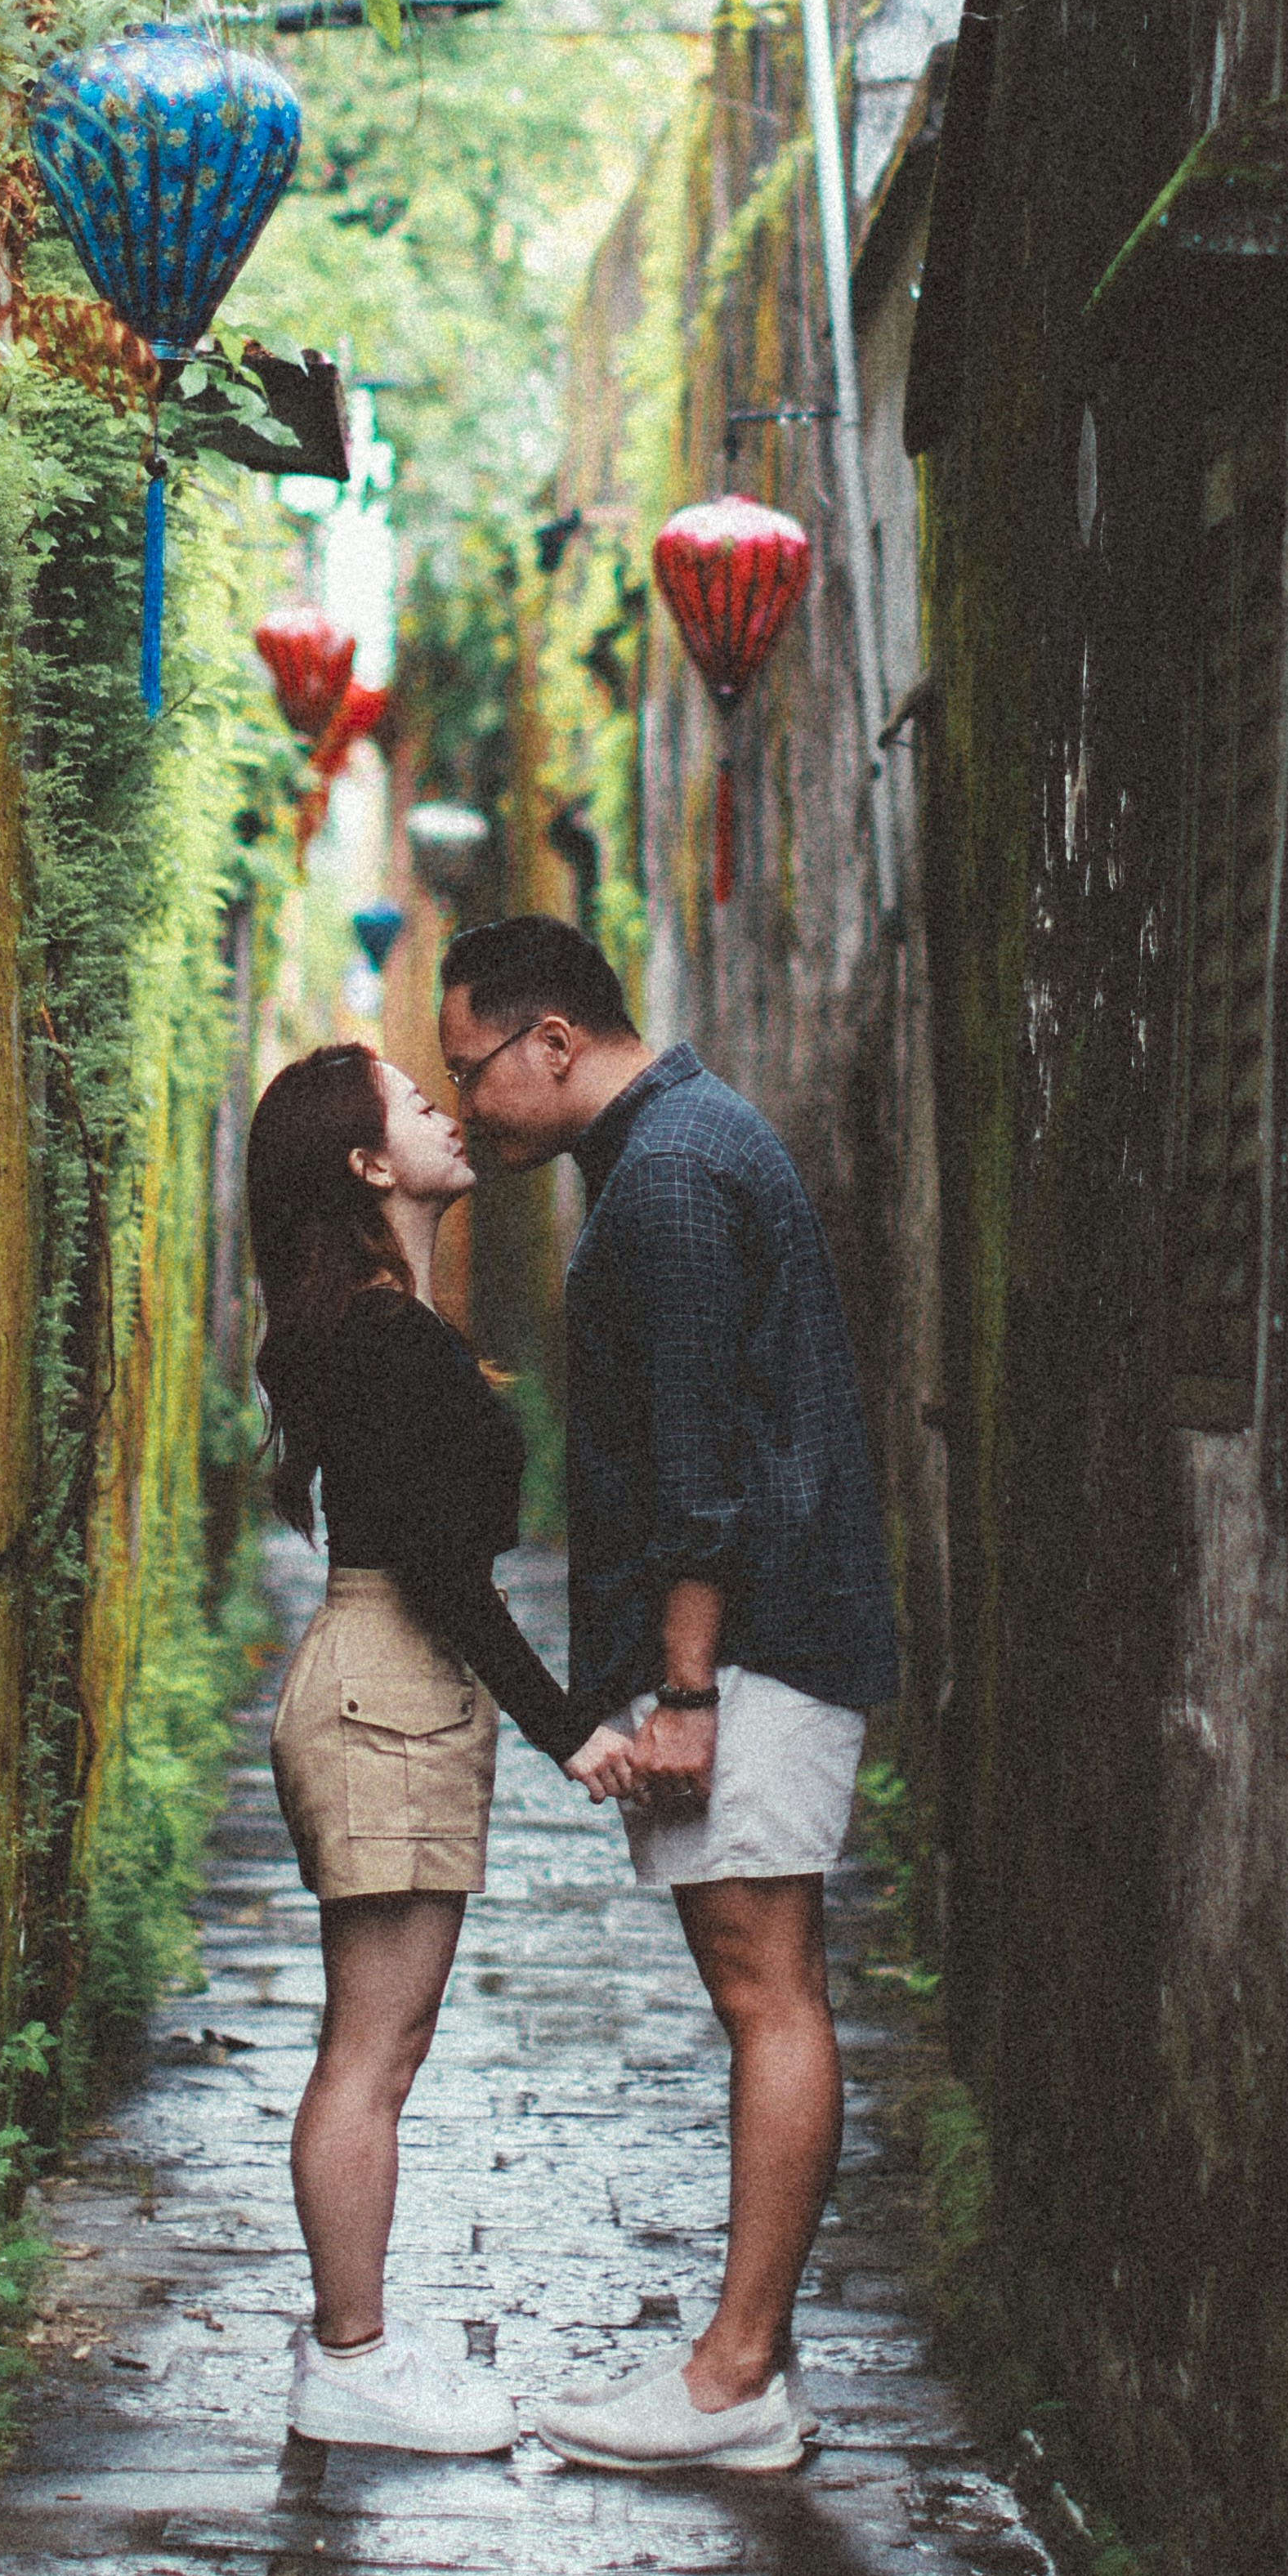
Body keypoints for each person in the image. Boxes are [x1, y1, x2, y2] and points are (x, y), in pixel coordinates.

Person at [434, 915, 899, 2473]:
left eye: (471, 1070)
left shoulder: (675, 1178)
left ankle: (735, 2380)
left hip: (750, 1648)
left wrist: (685, 1687)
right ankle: (746, 2364)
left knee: (766, 1990)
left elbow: (705, 1460)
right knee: (768, 1988)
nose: (466, 1107)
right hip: (759, 1638)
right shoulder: (678, 1150)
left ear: (551, 1042)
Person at [248, 1041, 625, 2453]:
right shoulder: (385, 1335)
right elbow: (439, 1570)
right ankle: (352, 2362)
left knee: (377, 2049)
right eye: (414, 1105)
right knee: (371, 2054)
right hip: (389, 1684)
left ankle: (354, 2350)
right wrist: (568, 1729)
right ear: (364, 1165)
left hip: (393, 1684)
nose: (443, 1114)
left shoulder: (386, 1321)